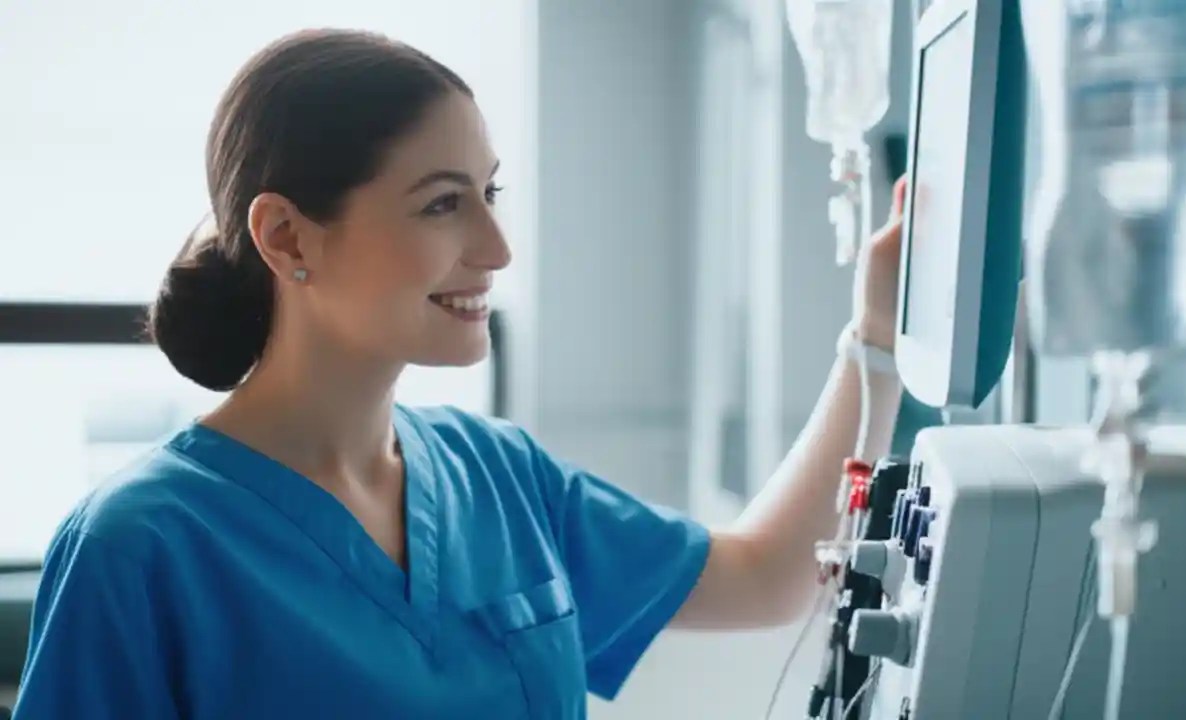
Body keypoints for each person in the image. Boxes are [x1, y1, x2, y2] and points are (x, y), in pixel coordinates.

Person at [13, 29, 907, 719]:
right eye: (443, 203)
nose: (497, 247)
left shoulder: (499, 475)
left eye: (492, 193)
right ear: (287, 236)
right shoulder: (138, 548)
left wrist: (875, 335)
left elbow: (764, 576)